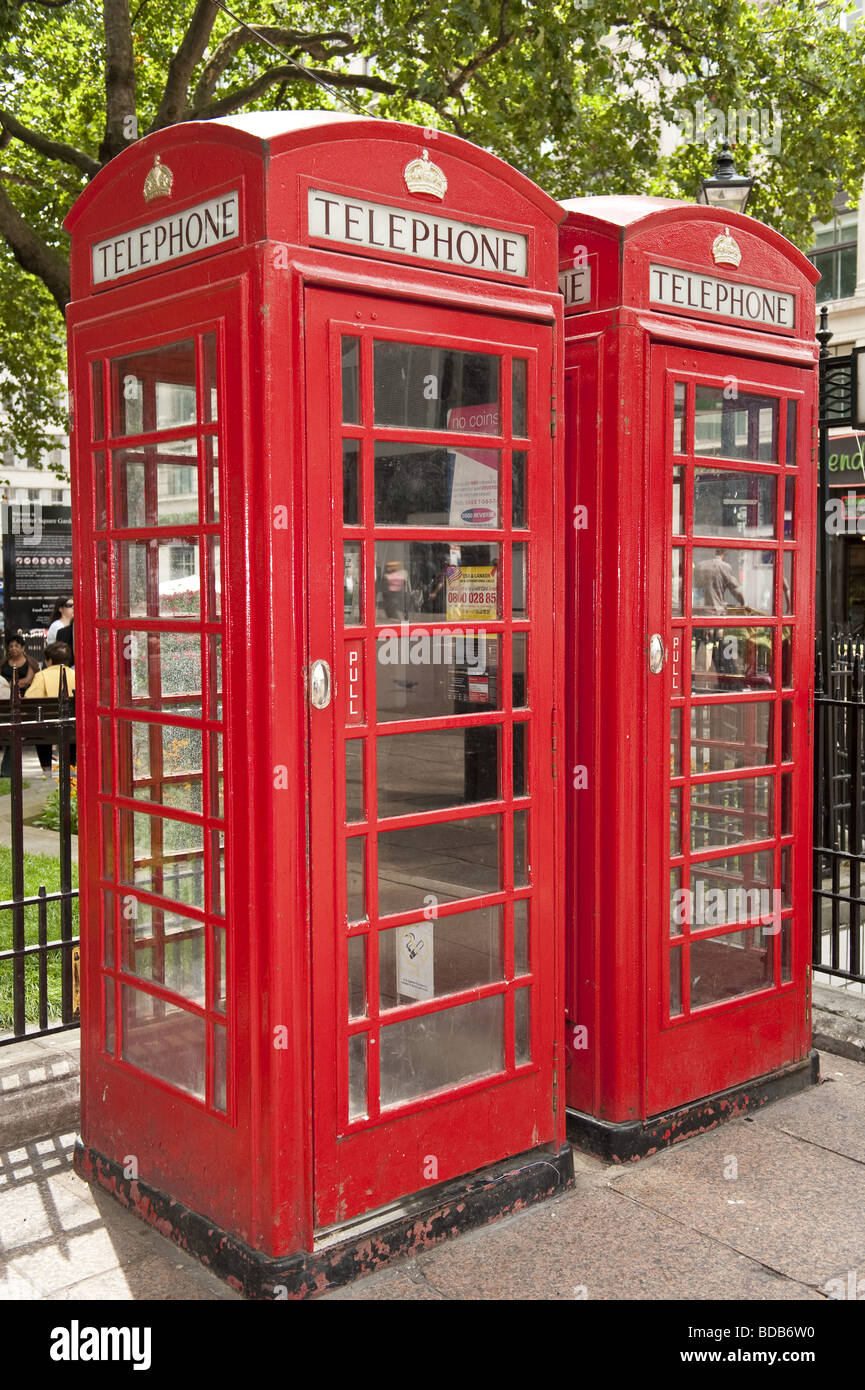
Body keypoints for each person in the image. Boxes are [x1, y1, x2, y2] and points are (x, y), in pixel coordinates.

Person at [25, 642, 76, 775]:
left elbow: (30, 699)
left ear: (50, 660)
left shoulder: (41, 675)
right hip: (72, 728)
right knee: (71, 730)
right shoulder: (74, 674)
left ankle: (46, 770)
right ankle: (71, 767)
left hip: (48, 729)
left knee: (41, 728)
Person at [1, 636, 48, 777]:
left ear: (23, 648)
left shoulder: (31, 663)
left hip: (24, 701)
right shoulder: (3, 663)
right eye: (11, 646)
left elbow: (28, 680)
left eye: (16, 646)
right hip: (5, 701)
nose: (13, 648)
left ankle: (7, 769)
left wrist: (12, 685)